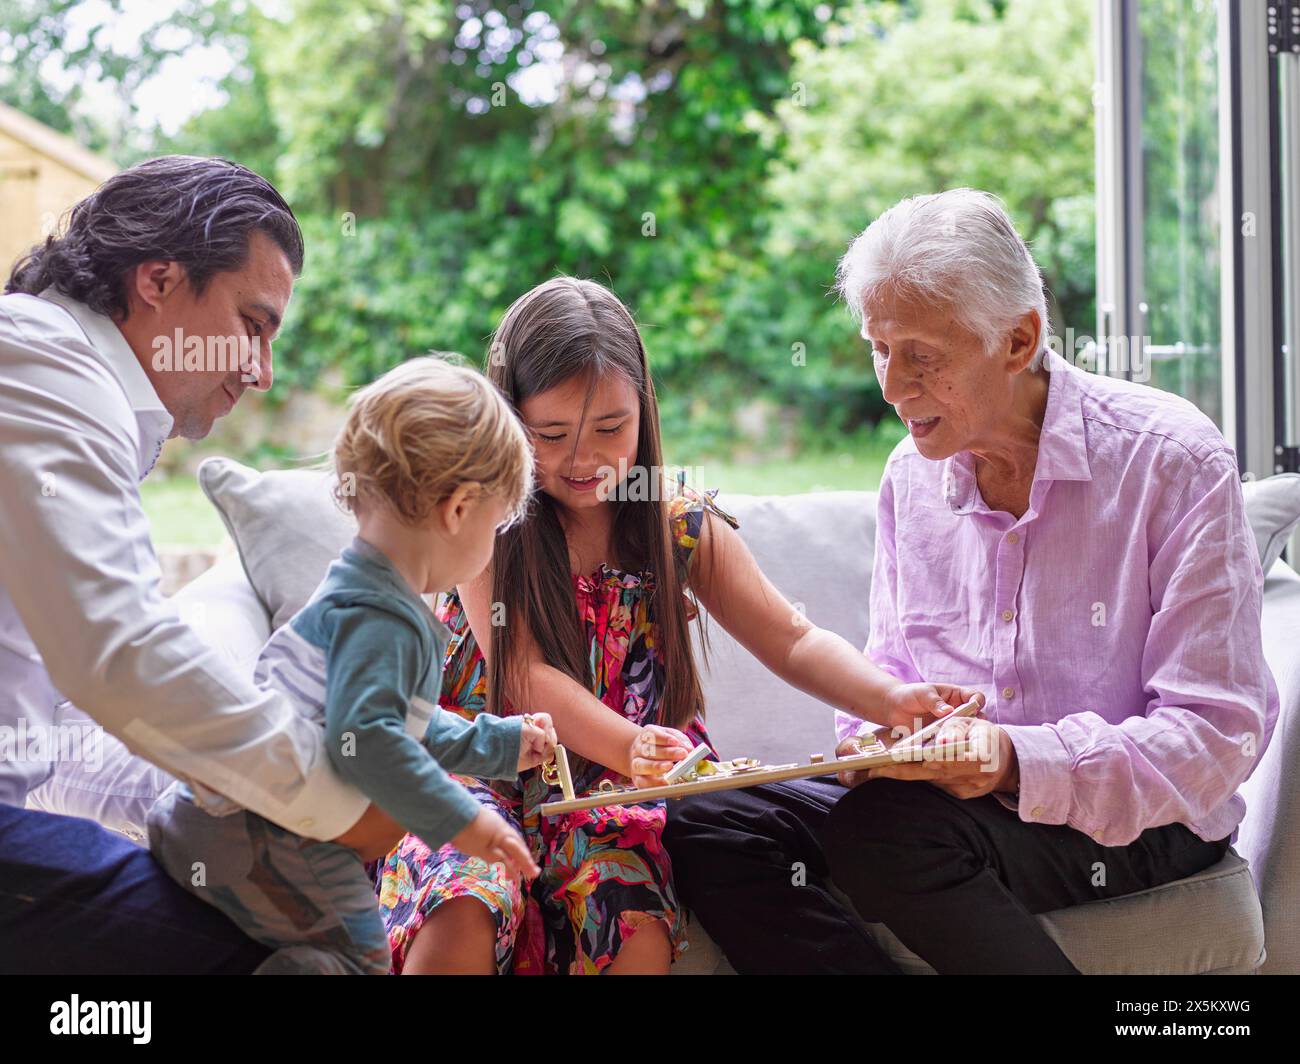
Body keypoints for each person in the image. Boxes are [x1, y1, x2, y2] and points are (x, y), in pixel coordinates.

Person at [663, 188, 1279, 974]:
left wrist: (1012, 759)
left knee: (885, 834)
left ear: (1018, 339)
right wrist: (876, 740)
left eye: (920, 355)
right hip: (947, 814)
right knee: (706, 822)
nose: (890, 387)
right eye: (876, 348)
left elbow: (1213, 737)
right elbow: (892, 674)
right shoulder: (911, 478)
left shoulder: (1172, 461)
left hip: (1139, 820)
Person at [374, 277, 983, 975]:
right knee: (460, 903)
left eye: (611, 428)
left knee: (633, 924)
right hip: (482, 765)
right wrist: (629, 742)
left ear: (644, 414)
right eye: (550, 434)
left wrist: (887, 699)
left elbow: (792, 638)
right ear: (509, 422)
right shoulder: (487, 519)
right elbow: (521, 674)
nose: (585, 459)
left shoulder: (675, 524)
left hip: (620, 787)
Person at [0, 156, 403, 973]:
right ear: (157, 279)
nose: (262, 373)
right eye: (253, 325)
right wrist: (326, 801)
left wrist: (244, 813)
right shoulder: (48, 370)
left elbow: (68, 716)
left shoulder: (66, 386)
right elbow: (122, 657)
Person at [148, 357, 557, 974]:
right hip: (259, 835)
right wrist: (461, 820)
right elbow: (367, 741)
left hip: (222, 819)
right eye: (496, 524)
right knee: (357, 956)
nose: (493, 543)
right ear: (458, 509)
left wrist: (495, 743)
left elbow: (397, 725)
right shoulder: (385, 620)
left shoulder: (357, 589)